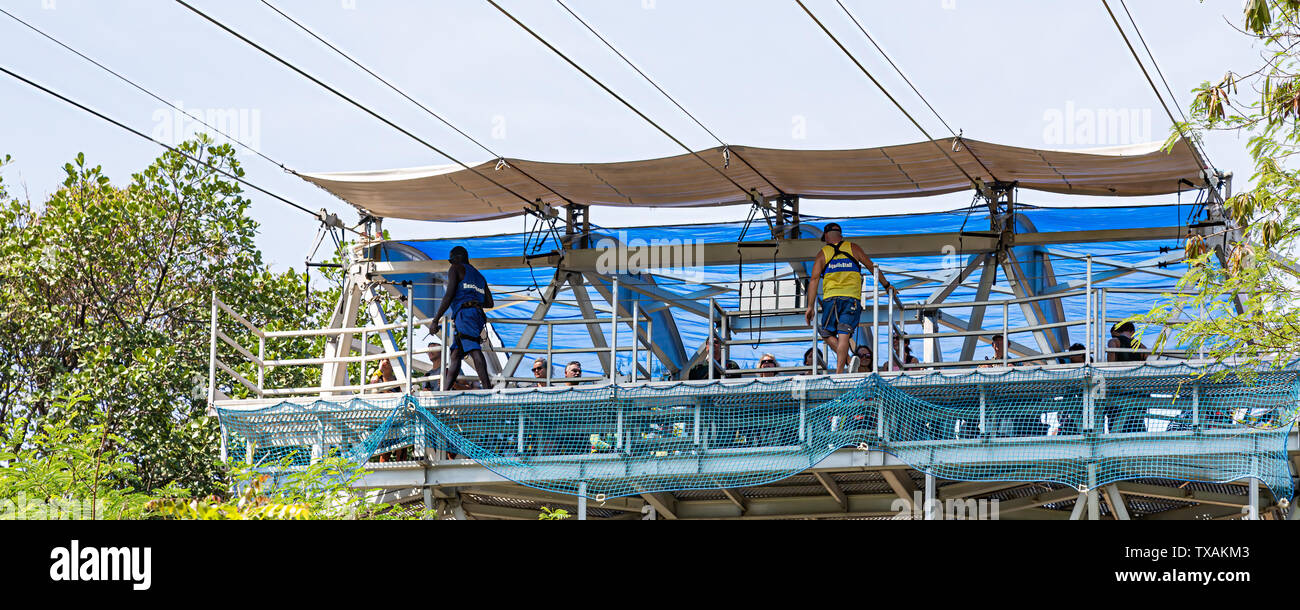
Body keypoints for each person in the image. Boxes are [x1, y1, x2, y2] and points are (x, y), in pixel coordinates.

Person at [804, 222, 891, 374]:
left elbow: (814, 280)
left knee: (826, 332)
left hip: (831, 298)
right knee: (844, 334)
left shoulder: (822, 253)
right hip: (851, 298)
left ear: (826, 236)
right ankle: (842, 370)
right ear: (841, 235)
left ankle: (848, 363)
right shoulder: (853, 247)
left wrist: (810, 306)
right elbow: (872, 267)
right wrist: (886, 285)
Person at [431, 246, 495, 391]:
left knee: (473, 348)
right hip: (477, 315)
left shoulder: (456, 268)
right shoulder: (479, 276)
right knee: (455, 354)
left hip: (465, 314)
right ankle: (445, 391)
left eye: (452, 260)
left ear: (458, 258)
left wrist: (435, 320)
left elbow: (449, 295)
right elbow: (490, 303)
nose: (451, 263)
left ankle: (487, 389)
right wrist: (475, 300)